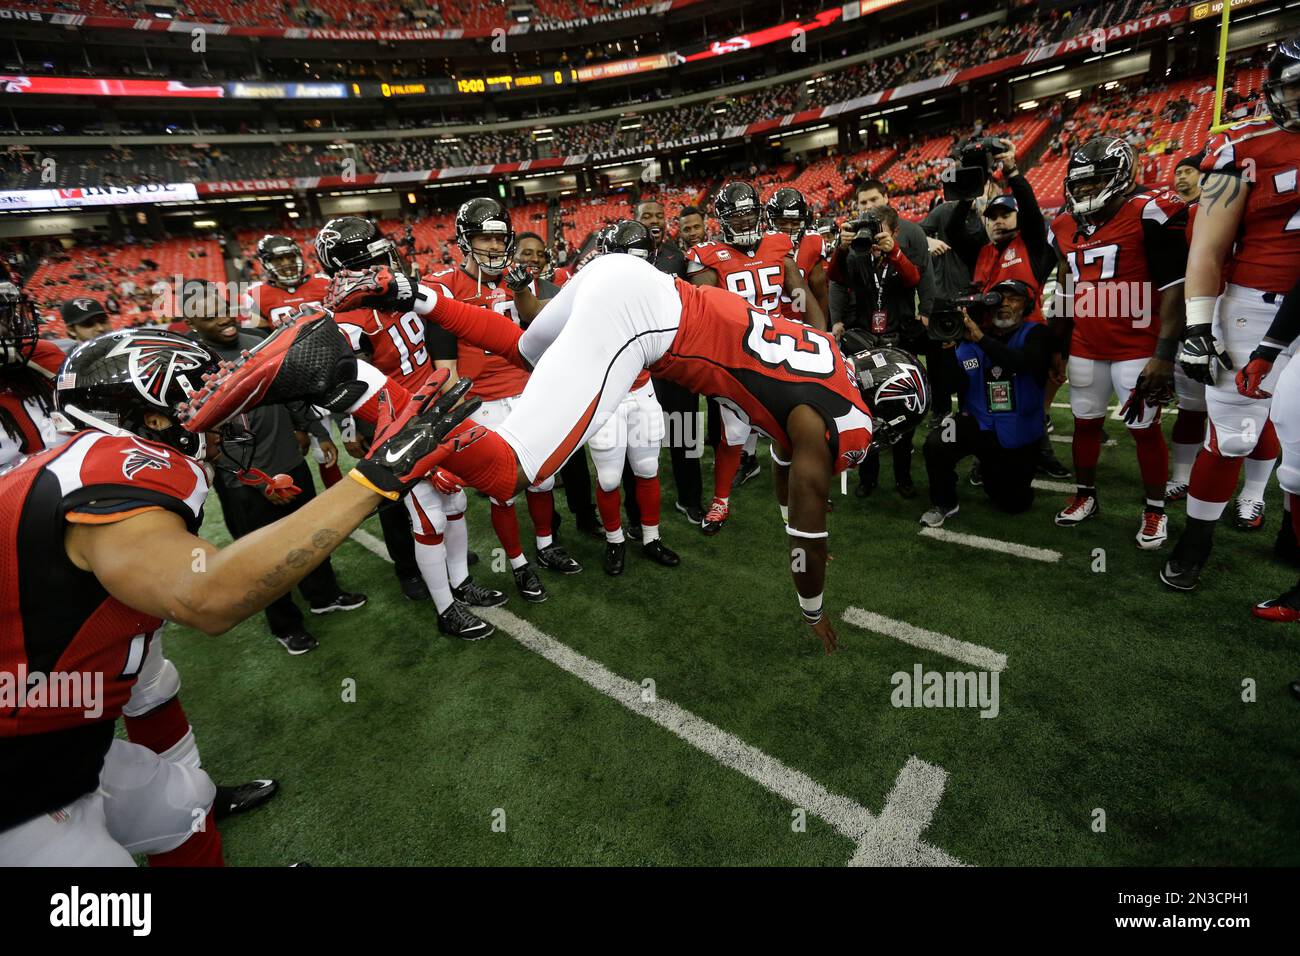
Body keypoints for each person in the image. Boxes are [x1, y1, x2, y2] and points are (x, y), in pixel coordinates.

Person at [0, 306, 476, 864]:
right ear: (153, 417)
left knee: (180, 803)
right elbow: (206, 596)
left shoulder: (80, 458)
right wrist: (378, 477)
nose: (216, 411)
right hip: (19, 772)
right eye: (196, 399)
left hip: (58, 734)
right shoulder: (110, 467)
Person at [324, 252, 930, 655]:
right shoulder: (836, 426)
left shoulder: (826, 361)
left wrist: (791, 510)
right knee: (517, 469)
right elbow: (806, 518)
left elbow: (785, 467)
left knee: (526, 352)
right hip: (646, 323)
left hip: (620, 274)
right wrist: (812, 605)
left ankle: (406, 292)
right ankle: (361, 386)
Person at [315, 216, 503, 638]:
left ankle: (462, 582)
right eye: (378, 258)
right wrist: (401, 442)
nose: (391, 262)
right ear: (352, 268)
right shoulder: (347, 322)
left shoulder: (405, 291)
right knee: (429, 518)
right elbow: (360, 392)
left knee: (455, 506)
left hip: (437, 411)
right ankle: (445, 608)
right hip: (401, 426)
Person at [1162, 36, 1300, 590]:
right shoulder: (1242, 148)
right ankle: (1197, 537)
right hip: (1256, 308)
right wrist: (1200, 326)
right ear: (1273, 92)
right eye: (1297, 86)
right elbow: (1208, 248)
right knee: (1236, 433)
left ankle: (1291, 529)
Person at [186, 282, 366, 655]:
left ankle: (324, 595)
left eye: (222, 308)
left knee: (312, 533)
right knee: (262, 556)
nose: (222, 318)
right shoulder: (193, 364)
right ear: (191, 323)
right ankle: (285, 623)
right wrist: (244, 474)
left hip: (288, 457)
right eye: (208, 316)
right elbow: (196, 432)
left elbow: (291, 389)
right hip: (242, 479)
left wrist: (314, 430)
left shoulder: (257, 339)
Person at [427, 199, 582, 605]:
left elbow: (540, 328)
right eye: (485, 237)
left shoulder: (517, 280)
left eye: (500, 237)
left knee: (543, 478)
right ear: (465, 240)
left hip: (529, 392)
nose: (495, 246)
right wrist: (460, 418)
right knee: (503, 490)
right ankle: (517, 563)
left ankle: (546, 546)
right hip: (483, 402)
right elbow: (445, 367)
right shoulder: (444, 287)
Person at [1047, 136, 1190, 549]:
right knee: (1084, 424)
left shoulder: (1150, 211)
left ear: (1123, 176)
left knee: (1144, 430)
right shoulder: (1062, 224)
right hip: (1087, 345)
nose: (1088, 190)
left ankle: (1154, 508)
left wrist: (1164, 353)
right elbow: (1066, 287)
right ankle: (1086, 496)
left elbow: (1174, 287)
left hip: (1137, 347)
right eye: (1082, 183)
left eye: (1098, 182)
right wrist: (1059, 343)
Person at [686, 181, 826, 533]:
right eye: (737, 216)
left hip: (780, 351)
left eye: (750, 213)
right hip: (738, 356)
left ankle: (806, 488)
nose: (746, 221)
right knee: (733, 433)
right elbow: (705, 310)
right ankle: (721, 501)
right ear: (722, 220)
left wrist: (821, 340)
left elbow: (803, 297)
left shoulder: (779, 245)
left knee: (798, 426)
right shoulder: (706, 256)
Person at [920, 281, 1054, 525]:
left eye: (1014, 298)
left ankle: (991, 471)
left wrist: (981, 339)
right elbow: (952, 385)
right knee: (938, 441)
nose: (1005, 303)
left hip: (1017, 431)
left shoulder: (1037, 334)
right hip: (978, 424)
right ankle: (944, 502)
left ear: (1027, 305)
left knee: (1013, 504)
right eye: (999, 298)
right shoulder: (970, 342)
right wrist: (948, 347)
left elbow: (1020, 363)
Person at [827, 202, 926, 497]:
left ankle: (903, 477)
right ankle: (867, 478)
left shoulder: (902, 256)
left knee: (903, 415)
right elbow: (836, 276)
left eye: (877, 231)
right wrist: (841, 249)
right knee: (866, 413)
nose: (871, 238)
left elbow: (913, 279)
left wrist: (894, 251)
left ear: (894, 231)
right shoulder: (858, 256)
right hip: (866, 344)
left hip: (900, 342)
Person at [639, 200, 706, 526]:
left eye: (658, 215)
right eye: (646, 215)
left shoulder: (677, 257)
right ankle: (638, 514)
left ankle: (690, 497)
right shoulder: (620, 257)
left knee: (685, 429)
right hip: (635, 361)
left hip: (672, 357)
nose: (654, 220)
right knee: (639, 436)